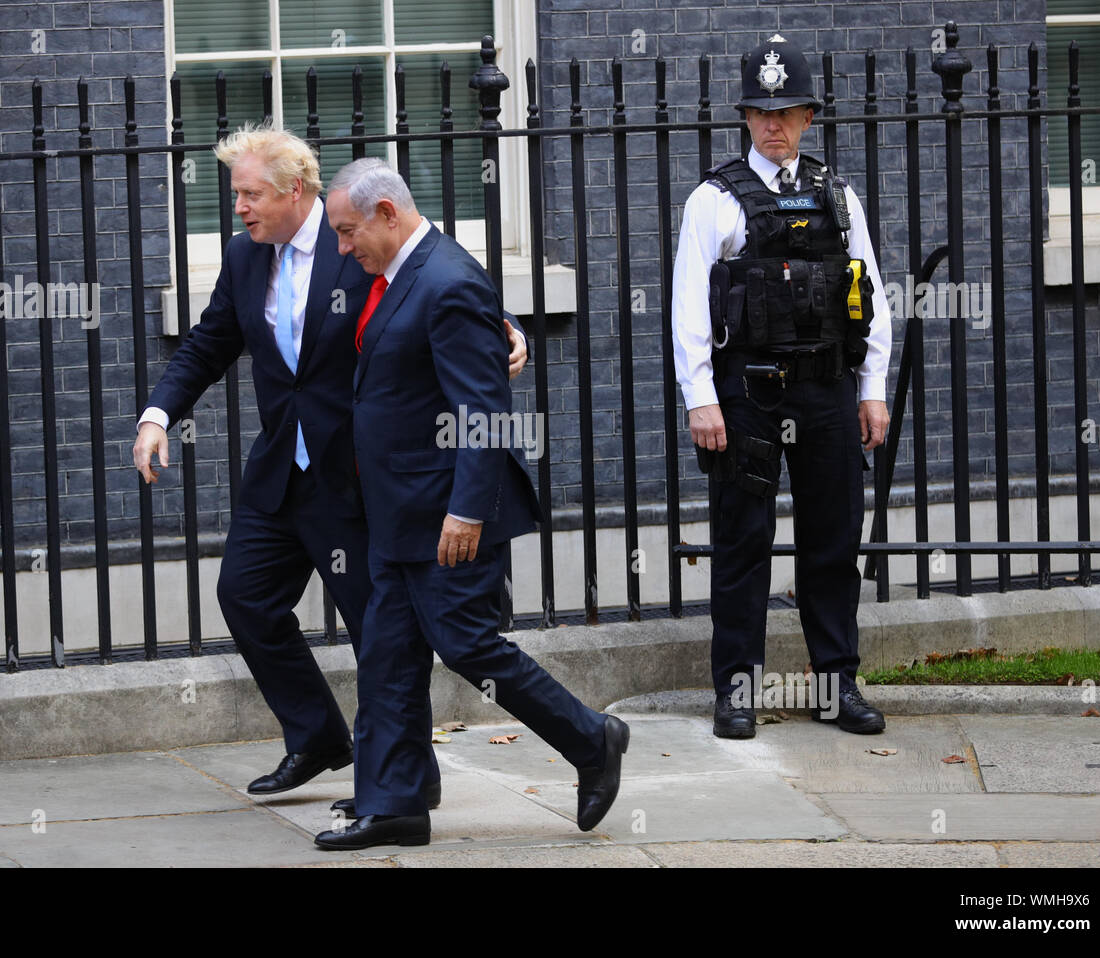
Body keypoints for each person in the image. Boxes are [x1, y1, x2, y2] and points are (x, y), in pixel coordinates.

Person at [132, 125, 526, 803]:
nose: (240, 207)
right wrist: (158, 414)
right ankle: (317, 737)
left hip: (356, 477)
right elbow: (209, 342)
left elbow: (437, 287)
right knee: (245, 597)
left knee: (380, 638)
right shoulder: (245, 256)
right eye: (237, 194)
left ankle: (403, 784)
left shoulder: (358, 243)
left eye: (251, 193)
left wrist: (508, 330)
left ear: (296, 191)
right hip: (284, 467)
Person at [313, 158, 629, 851]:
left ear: (387, 214)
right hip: (398, 512)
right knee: (388, 653)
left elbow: (483, 412)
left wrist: (467, 511)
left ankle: (591, 737)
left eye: (347, 232)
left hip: (445, 515)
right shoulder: (402, 272)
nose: (342, 248)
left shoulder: (447, 281)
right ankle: (394, 802)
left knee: (467, 645)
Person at [671, 35, 892, 740]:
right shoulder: (713, 200)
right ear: (745, 117)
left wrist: (873, 386)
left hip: (827, 389)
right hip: (748, 394)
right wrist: (700, 395)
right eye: (762, 112)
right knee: (744, 542)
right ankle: (736, 691)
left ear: (807, 117)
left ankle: (837, 687)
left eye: (787, 111)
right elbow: (687, 306)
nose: (774, 125)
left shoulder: (837, 195)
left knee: (834, 542)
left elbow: (871, 295)